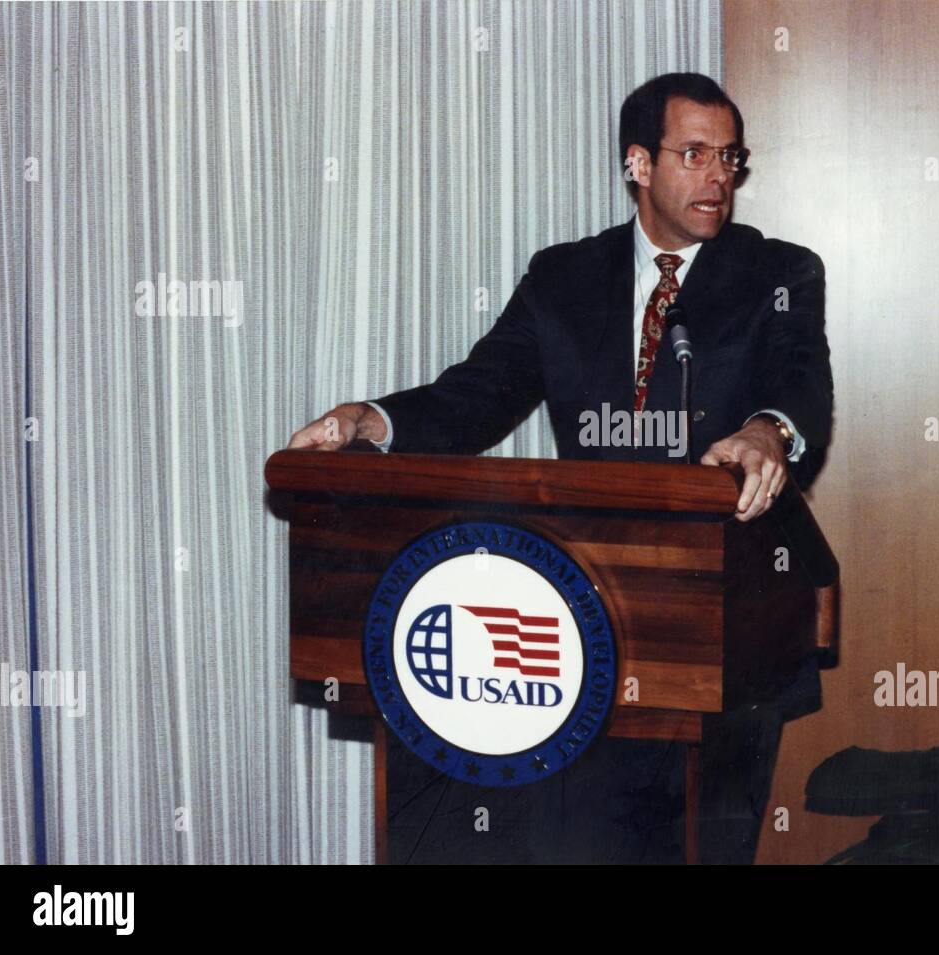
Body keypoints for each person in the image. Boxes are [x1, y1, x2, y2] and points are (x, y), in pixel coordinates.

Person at [288, 72, 833, 863]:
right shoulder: (563, 278)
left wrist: (766, 434)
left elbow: (799, 384)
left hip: (736, 610)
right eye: (694, 153)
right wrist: (372, 419)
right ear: (638, 165)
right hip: (592, 614)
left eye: (731, 157)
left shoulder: (780, 272)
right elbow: (475, 395)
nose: (720, 176)